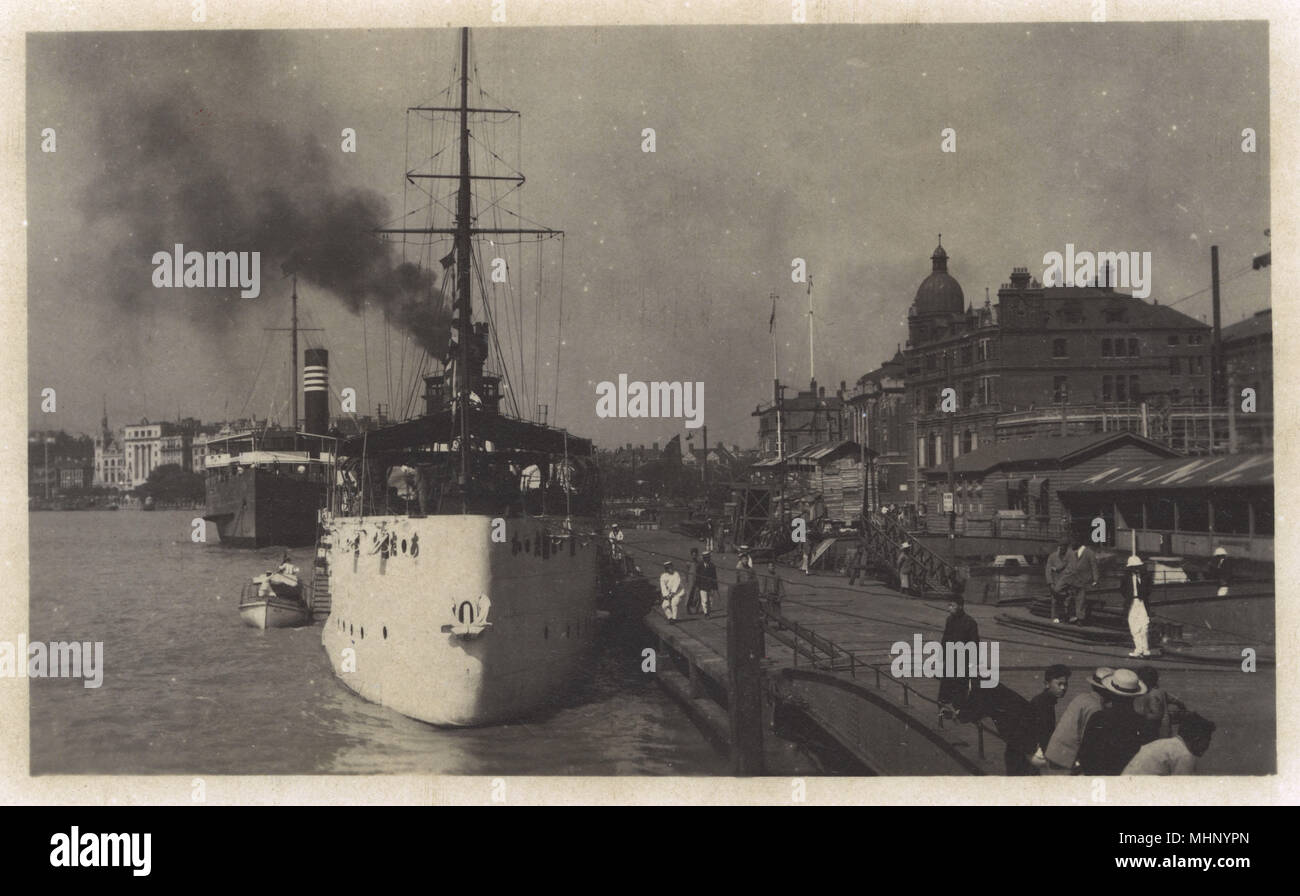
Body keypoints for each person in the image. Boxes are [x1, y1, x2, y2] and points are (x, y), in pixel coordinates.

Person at [1075, 668, 1149, 776]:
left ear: (1111, 692)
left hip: (1102, 778)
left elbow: (1085, 754)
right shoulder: (1143, 723)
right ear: (1135, 696)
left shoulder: (1099, 718)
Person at [1044, 666, 1113, 773]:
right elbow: (1088, 740)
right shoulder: (1096, 708)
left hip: (1055, 752)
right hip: (1066, 760)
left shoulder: (1082, 697)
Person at [1004, 664, 1071, 775]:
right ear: (1046, 684)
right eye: (1059, 684)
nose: (1063, 688)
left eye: (1065, 684)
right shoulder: (1043, 704)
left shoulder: (1045, 700)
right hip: (1021, 756)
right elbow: (1045, 736)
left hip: (1020, 753)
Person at [1123, 712, 1216, 775]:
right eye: (1208, 741)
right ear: (1197, 739)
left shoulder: (1166, 744)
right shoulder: (1184, 755)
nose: (1208, 746)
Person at [937, 594, 980, 717]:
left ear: (960, 606)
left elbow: (974, 645)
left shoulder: (970, 623)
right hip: (950, 658)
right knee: (946, 685)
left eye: (952, 605)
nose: (949, 608)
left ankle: (958, 711)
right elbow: (945, 638)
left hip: (962, 661)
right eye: (948, 605)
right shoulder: (949, 620)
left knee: (960, 687)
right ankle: (944, 709)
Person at [1133, 666, 1188, 741]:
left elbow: (1156, 715)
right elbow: (1176, 701)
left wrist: (1141, 715)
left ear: (1145, 681)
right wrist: (1182, 707)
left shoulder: (1153, 695)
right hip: (1166, 728)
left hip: (1159, 730)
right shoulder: (1160, 691)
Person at [1120, 555, 1152, 658]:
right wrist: (1130, 597)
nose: (1135, 569)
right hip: (1131, 603)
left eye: (1137, 566)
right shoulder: (1126, 577)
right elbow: (1122, 590)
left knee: (1144, 626)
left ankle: (1145, 649)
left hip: (1141, 602)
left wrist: (1142, 596)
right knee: (1134, 627)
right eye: (1133, 567)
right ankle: (1138, 649)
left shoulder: (1145, 576)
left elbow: (1149, 589)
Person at [1068, 537, 1100, 625]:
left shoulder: (1089, 553)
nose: (1071, 545)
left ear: (1078, 542)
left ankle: (1080, 619)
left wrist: (1095, 579)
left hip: (1084, 580)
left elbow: (1094, 566)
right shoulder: (1073, 552)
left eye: (1073, 542)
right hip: (1073, 579)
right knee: (1072, 598)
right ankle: (1073, 616)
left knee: (1081, 599)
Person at [1045, 539, 1078, 624]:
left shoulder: (1071, 556)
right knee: (1055, 600)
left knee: (1069, 598)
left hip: (1067, 582)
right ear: (1058, 547)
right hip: (1055, 581)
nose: (1062, 549)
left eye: (1064, 547)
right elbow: (1048, 570)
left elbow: (1072, 570)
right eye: (1061, 547)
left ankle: (1071, 616)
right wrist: (1050, 582)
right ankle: (1055, 617)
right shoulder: (1052, 556)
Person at [696, 551, 719, 618]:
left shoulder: (712, 565)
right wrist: (697, 586)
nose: (707, 559)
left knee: (711, 601)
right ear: (703, 558)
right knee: (704, 600)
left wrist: (715, 587)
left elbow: (715, 576)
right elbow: (697, 576)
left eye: (708, 558)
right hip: (702, 586)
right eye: (705, 558)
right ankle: (706, 613)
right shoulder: (699, 565)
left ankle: (708, 611)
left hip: (710, 586)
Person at [685, 548, 702, 614]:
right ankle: (687, 608)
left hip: (697, 580)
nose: (694, 556)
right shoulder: (688, 563)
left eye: (695, 555)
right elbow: (686, 571)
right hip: (691, 580)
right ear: (691, 555)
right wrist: (687, 580)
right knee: (689, 594)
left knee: (697, 594)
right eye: (693, 555)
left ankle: (694, 607)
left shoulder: (699, 563)